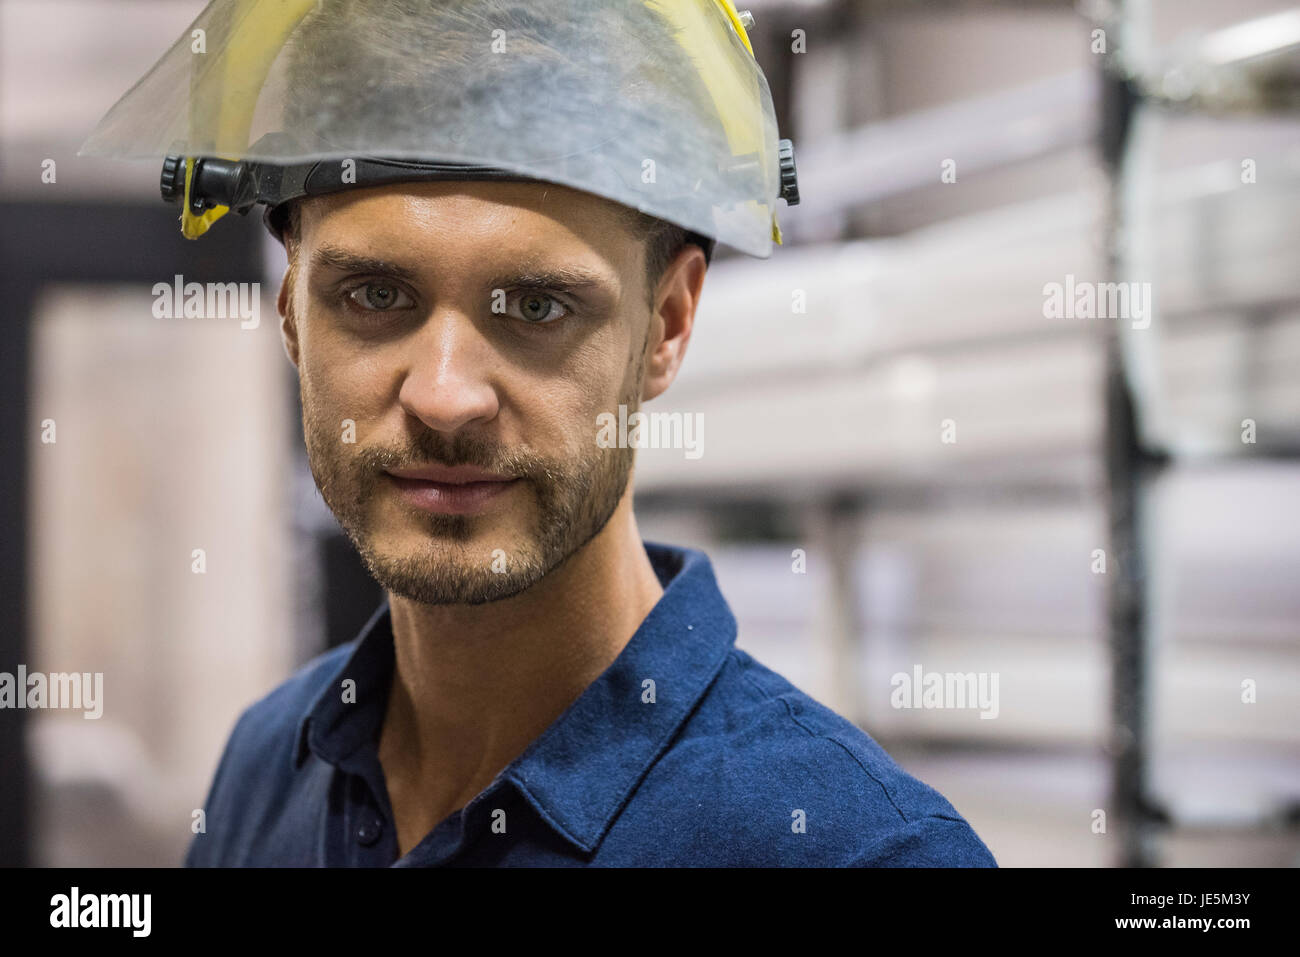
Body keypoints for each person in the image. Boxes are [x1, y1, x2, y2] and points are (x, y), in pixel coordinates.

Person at [83, 0, 996, 867]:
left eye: (535, 305)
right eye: (374, 296)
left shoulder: (857, 851)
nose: (445, 397)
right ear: (291, 315)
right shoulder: (268, 765)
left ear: (668, 325)